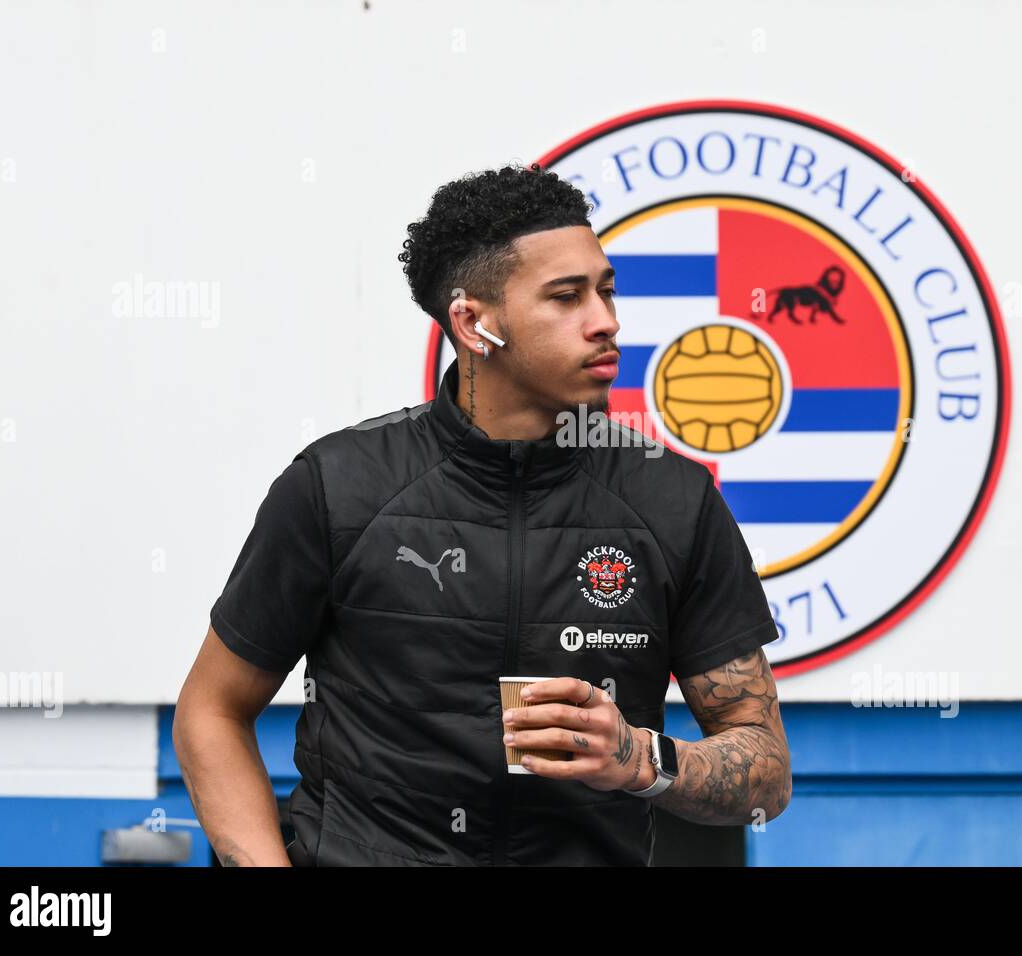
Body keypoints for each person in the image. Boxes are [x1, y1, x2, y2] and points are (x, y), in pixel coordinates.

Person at [173, 162, 791, 867]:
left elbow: (765, 776)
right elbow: (212, 710)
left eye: (606, 290)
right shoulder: (339, 486)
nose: (606, 322)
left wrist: (641, 757)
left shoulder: (673, 500)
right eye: (567, 297)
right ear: (474, 323)